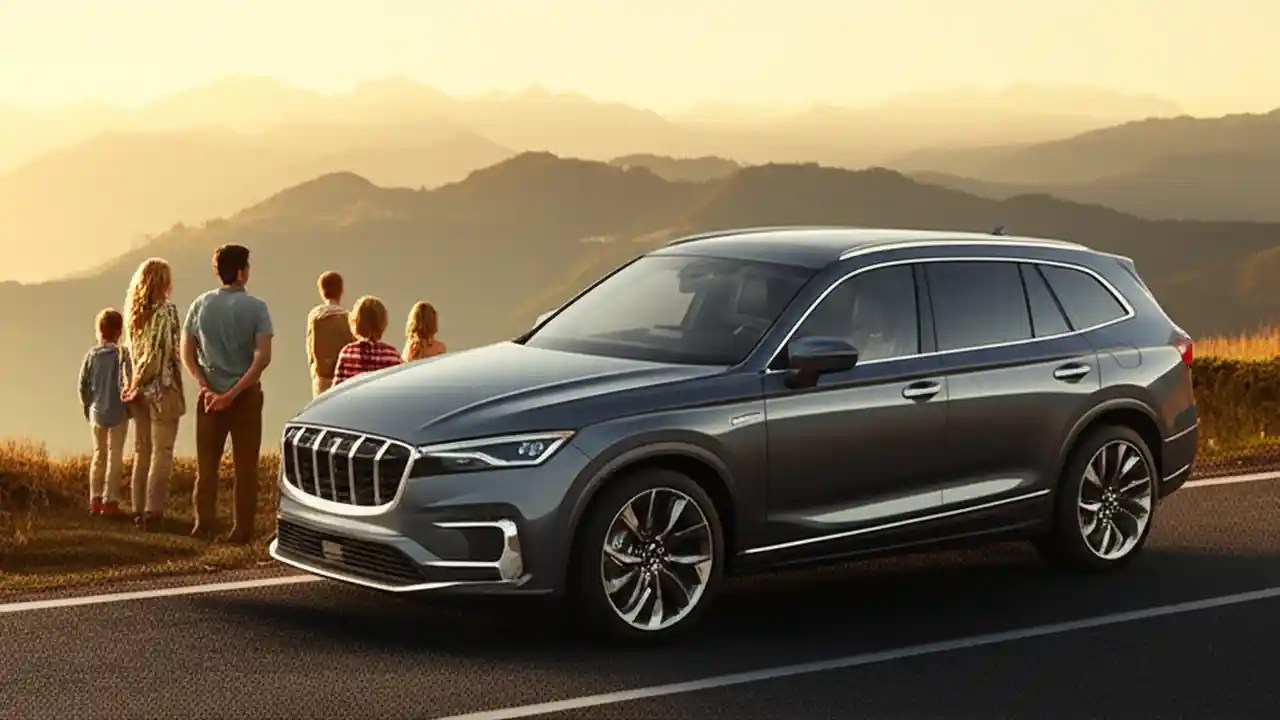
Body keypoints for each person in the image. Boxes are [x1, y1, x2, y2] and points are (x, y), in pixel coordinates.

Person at [182, 244, 273, 543]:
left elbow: (187, 352)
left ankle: (203, 524)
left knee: (207, 466)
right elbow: (263, 358)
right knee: (245, 468)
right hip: (246, 397)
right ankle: (241, 529)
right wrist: (233, 393)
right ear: (241, 273)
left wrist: (205, 386)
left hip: (209, 397)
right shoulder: (257, 308)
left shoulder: (200, 304)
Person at [121, 258, 187, 531]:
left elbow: (132, 354)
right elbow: (159, 353)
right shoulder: (166, 311)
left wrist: (132, 385)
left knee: (142, 450)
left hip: (138, 394)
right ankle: (153, 510)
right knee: (163, 450)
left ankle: (137, 507)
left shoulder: (134, 315)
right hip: (162, 388)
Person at [77, 308, 129, 517]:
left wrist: (87, 406)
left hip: (96, 412)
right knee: (115, 456)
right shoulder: (122, 354)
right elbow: (127, 381)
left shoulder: (91, 356)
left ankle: (95, 499)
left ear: (99, 331)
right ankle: (111, 500)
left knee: (99, 455)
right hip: (118, 412)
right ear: (119, 332)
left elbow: (82, 385)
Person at [334, 295, 402, 384]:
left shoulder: (347, 352)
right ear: (383, 322)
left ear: (356, 322)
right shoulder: (392, 355)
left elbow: (338, 387)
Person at [307, 271, 355, 397]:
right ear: (341, 290)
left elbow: (310, 349)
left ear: (321, 291)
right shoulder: (349, 319)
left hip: (321, 379)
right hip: (344, 380)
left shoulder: (315, 317)